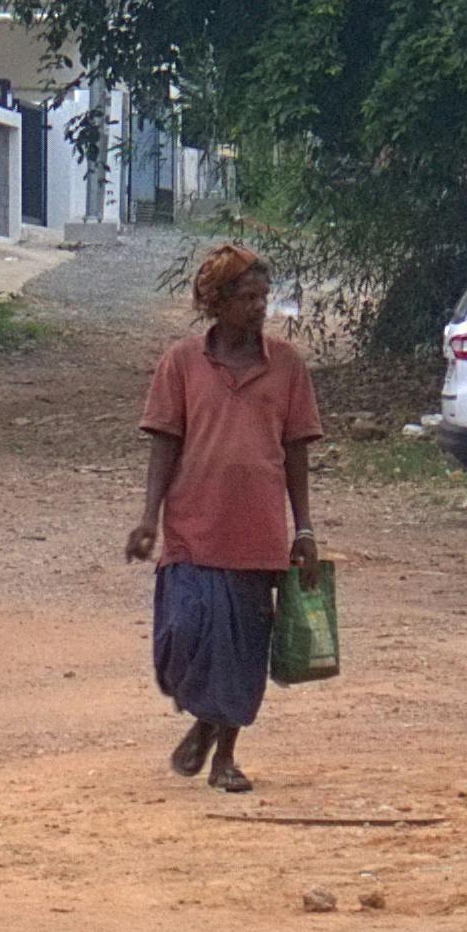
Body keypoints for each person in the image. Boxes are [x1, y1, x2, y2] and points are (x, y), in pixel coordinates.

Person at [125, 240, 320, 792]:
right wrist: (149, 519)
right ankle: (206, 718)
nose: (261, 307)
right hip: (191, 527)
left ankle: (224, 756)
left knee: (243, 650)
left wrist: (303, 529)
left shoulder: (286, 367)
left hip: (258, 531)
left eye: (265, 296)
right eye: (249, 296)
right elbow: (164, 442)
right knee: (181, 638)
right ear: (218, 300)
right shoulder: (182, 363)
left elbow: (298, 451)